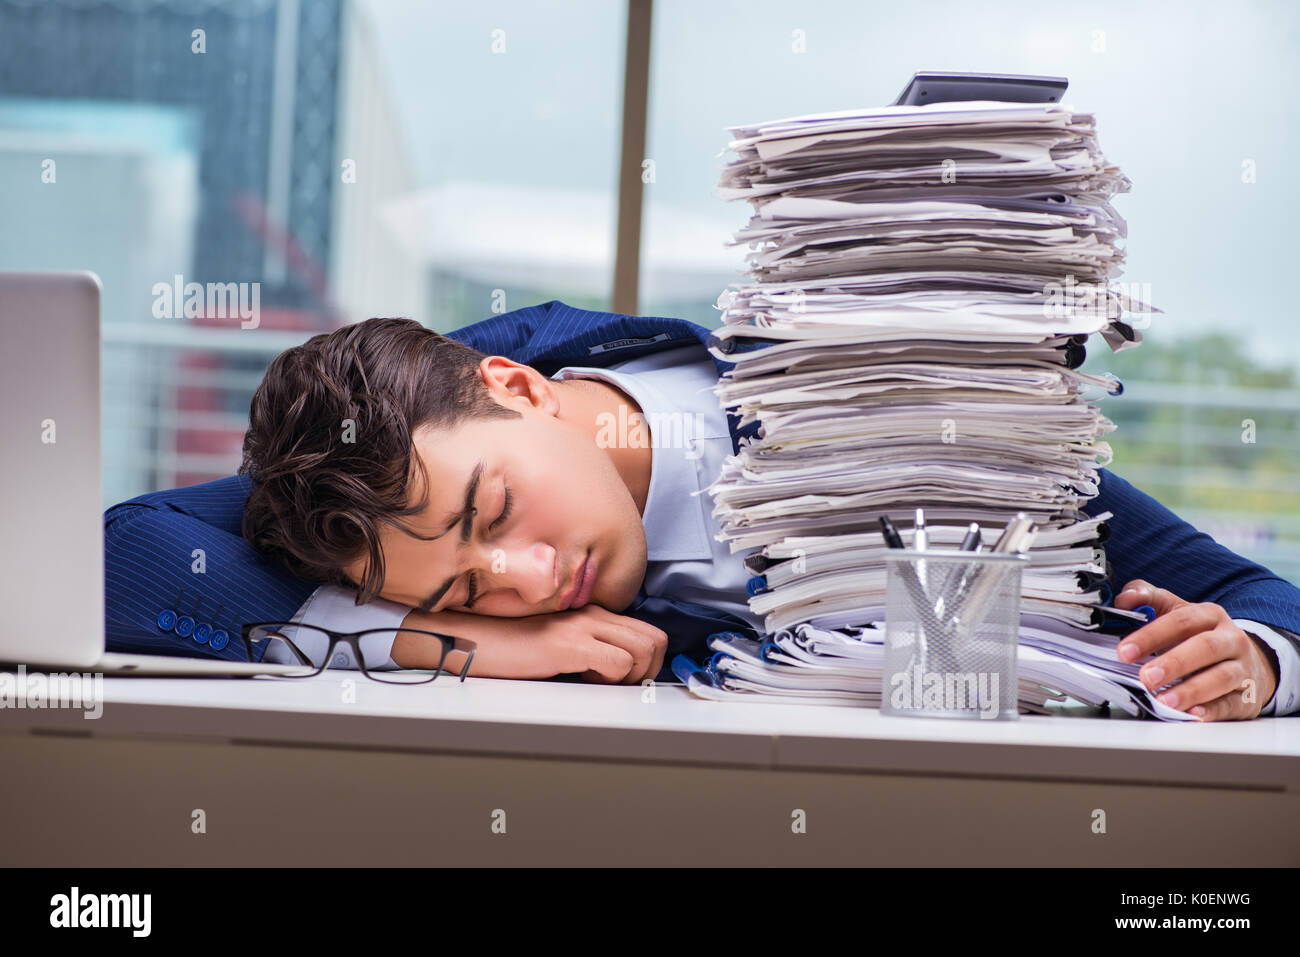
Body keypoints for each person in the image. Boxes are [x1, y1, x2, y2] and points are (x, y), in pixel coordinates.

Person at [105, 302, 1300, 719]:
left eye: (497, 513)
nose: (523, 578)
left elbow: (1266, 598)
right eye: (467, 584)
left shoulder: (860, 411)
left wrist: (1251, 655)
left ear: (522, 389)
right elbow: (129, 558)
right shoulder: (382, 488)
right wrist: (457, 643)